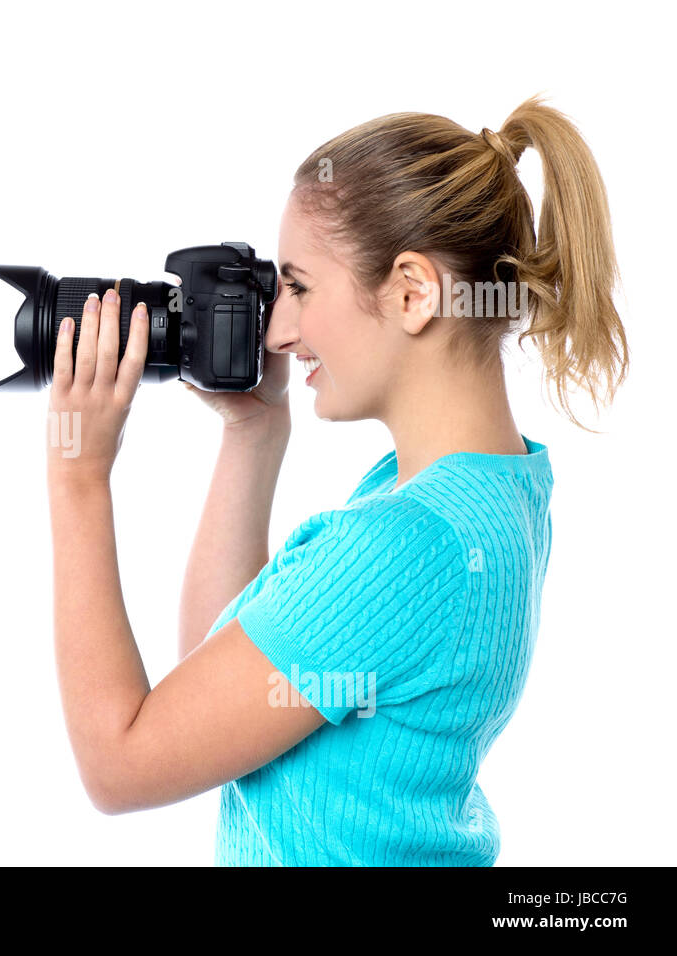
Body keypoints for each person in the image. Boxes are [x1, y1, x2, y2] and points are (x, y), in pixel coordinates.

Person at [43, 95, 628, 865]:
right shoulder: (490, 492)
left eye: (300, 288)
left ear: (414, 292)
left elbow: (120, 766)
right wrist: (254, 433)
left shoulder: (405, 545)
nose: (278, 329)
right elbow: (219, 688)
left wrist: (78, 478)